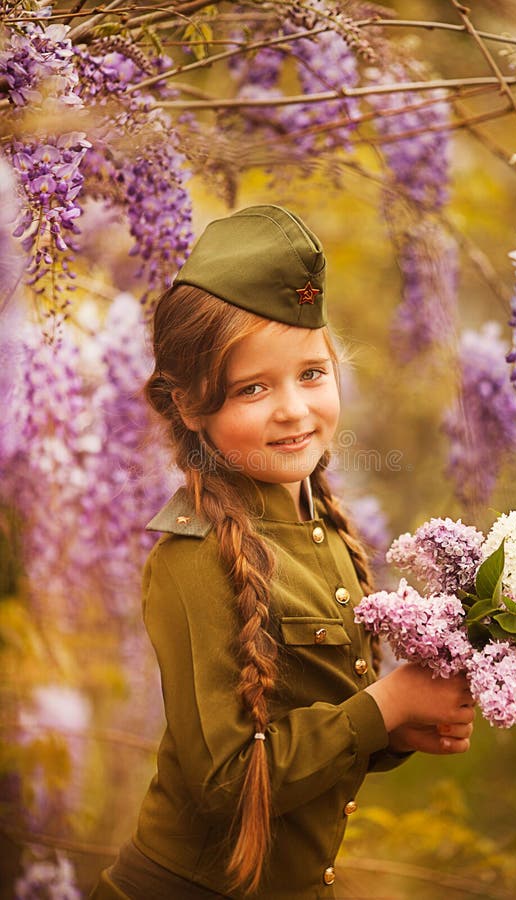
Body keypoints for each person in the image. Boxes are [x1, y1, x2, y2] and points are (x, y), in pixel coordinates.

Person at [90, 205, 474, 900]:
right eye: (253, 388)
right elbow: (229, 783)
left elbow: (314, 714)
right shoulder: (193, 554)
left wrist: (399, 728)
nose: (294, 410)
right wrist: (383, 707)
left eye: (312, 374)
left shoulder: (323, 524)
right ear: (190, 404)